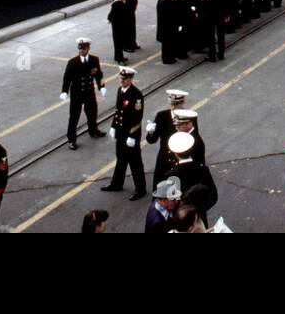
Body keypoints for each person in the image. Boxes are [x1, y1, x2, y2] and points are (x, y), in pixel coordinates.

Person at [101, 67, 147, 200]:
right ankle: (116, 183)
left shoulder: (136, 94)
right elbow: (118, 110)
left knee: (135, 162)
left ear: (131, 79)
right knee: (120, 158)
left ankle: (140, 189)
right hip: (121, 132)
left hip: (131, 134)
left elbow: (138, 116)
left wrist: (132, 135)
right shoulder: (120, 90)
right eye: (121, 78)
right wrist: (114, 126)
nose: (122, 81)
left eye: (125, 79)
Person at [161, 132, 218, 224]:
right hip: (200, 219)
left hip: (179, 220)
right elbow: (214, 196)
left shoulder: (170, 175)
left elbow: (168, 202)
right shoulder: (202, 170)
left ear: (175, 153)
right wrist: (200, 210)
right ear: (191, 150)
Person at [61, 37, 107, 149]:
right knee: (74, 117)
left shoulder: (94, 60)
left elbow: (98, 75)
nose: (81, 51)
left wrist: (101, 87)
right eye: (80, 49)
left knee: (92, 113)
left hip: (89, 92)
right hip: (76, 93)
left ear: (88, 49)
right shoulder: (73, 62)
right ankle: (71, 139)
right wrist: (64, 91)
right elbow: (67, 78)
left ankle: (93, 130)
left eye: (83, 49)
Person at [146, 89, 189, 188]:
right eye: (172, 103)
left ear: (182, 102)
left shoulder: (188, 117)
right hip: (164, 159)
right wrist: (151, 132)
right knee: (160, 189)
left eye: (176, 103)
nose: (173, 107)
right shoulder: (161, 116)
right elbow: (152, 140)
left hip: (180, 159)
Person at [108, 0, 131, 64]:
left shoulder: (121, 1)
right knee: (118, 43)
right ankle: (119, 59)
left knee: (120, 42)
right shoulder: (117, 3)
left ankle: (118, 56)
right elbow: (112, 13)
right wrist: (111, 19)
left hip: (121, 25)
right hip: (118, 26)